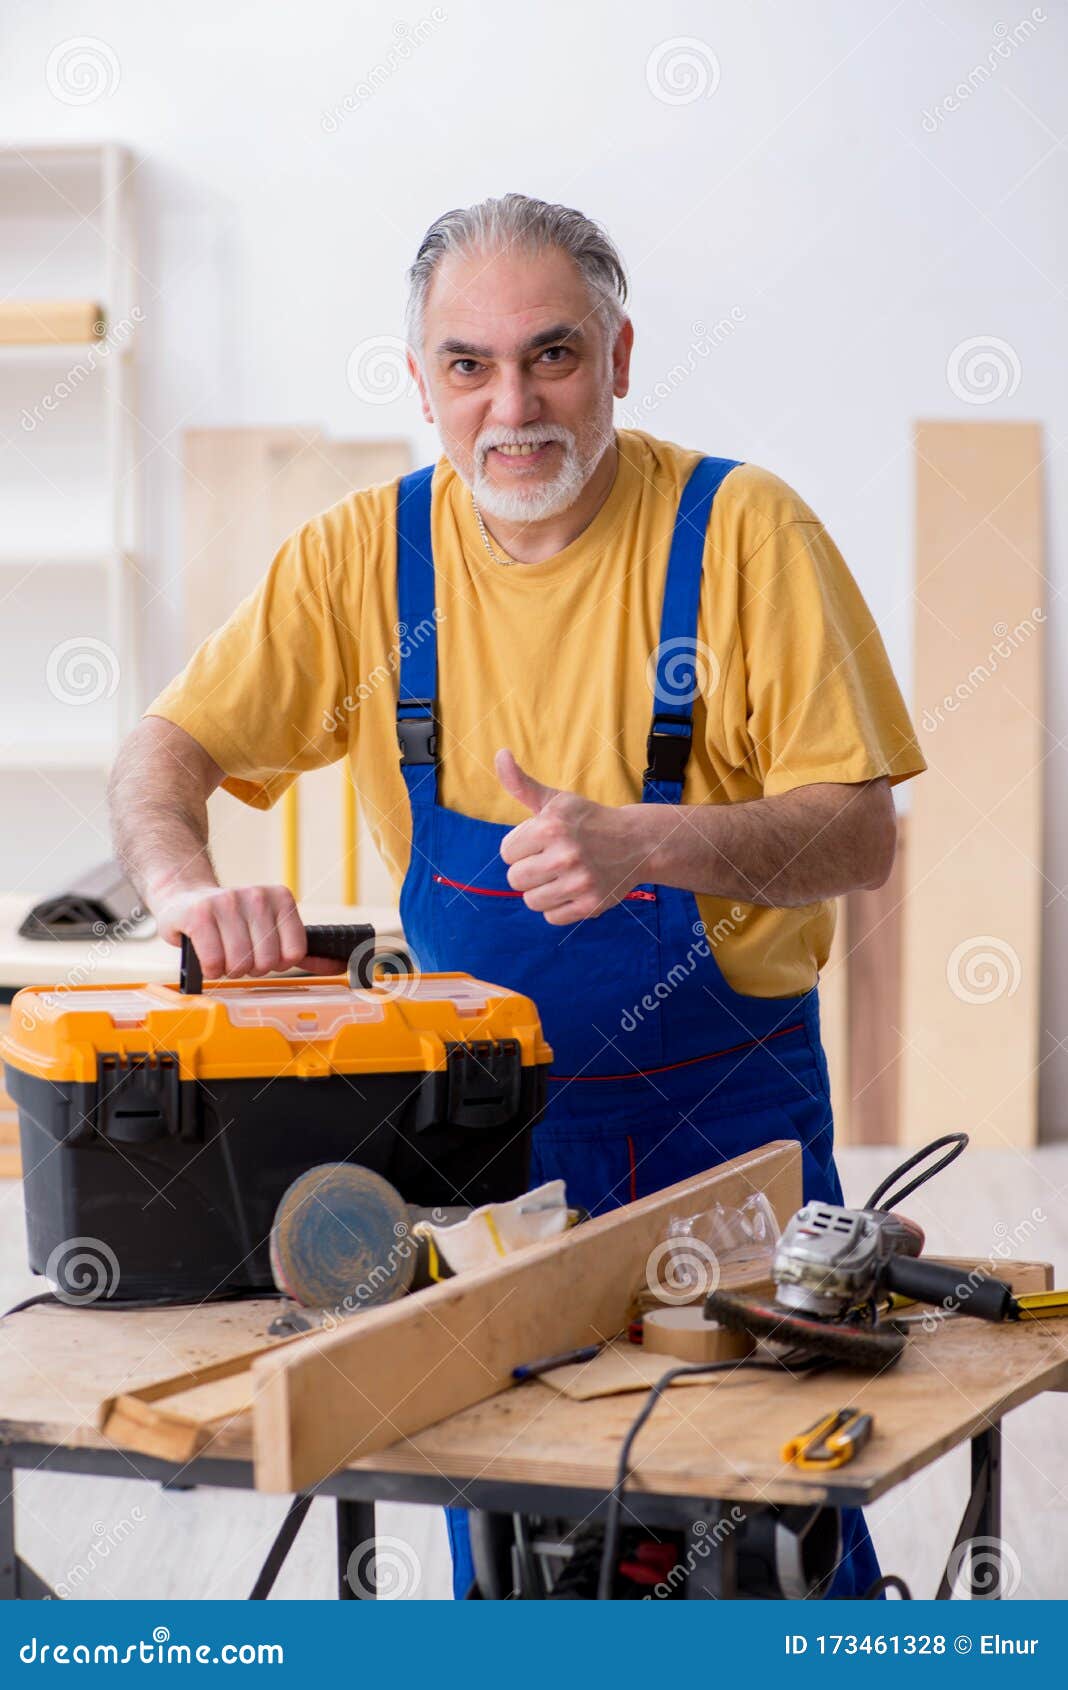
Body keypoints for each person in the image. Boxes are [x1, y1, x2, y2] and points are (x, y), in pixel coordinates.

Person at [109, 193, 927, 1599]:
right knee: (513, 1527)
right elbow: (161, 752)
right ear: (421, 382)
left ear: (619, 357)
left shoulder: (742, 534)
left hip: (723, 1143)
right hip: (479, 1157)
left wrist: (652, 846)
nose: (513, 406)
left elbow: (860, 835)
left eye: (553, 355)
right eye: (470, 366)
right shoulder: (365, 560)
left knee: (763, 1527)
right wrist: (183, 887)